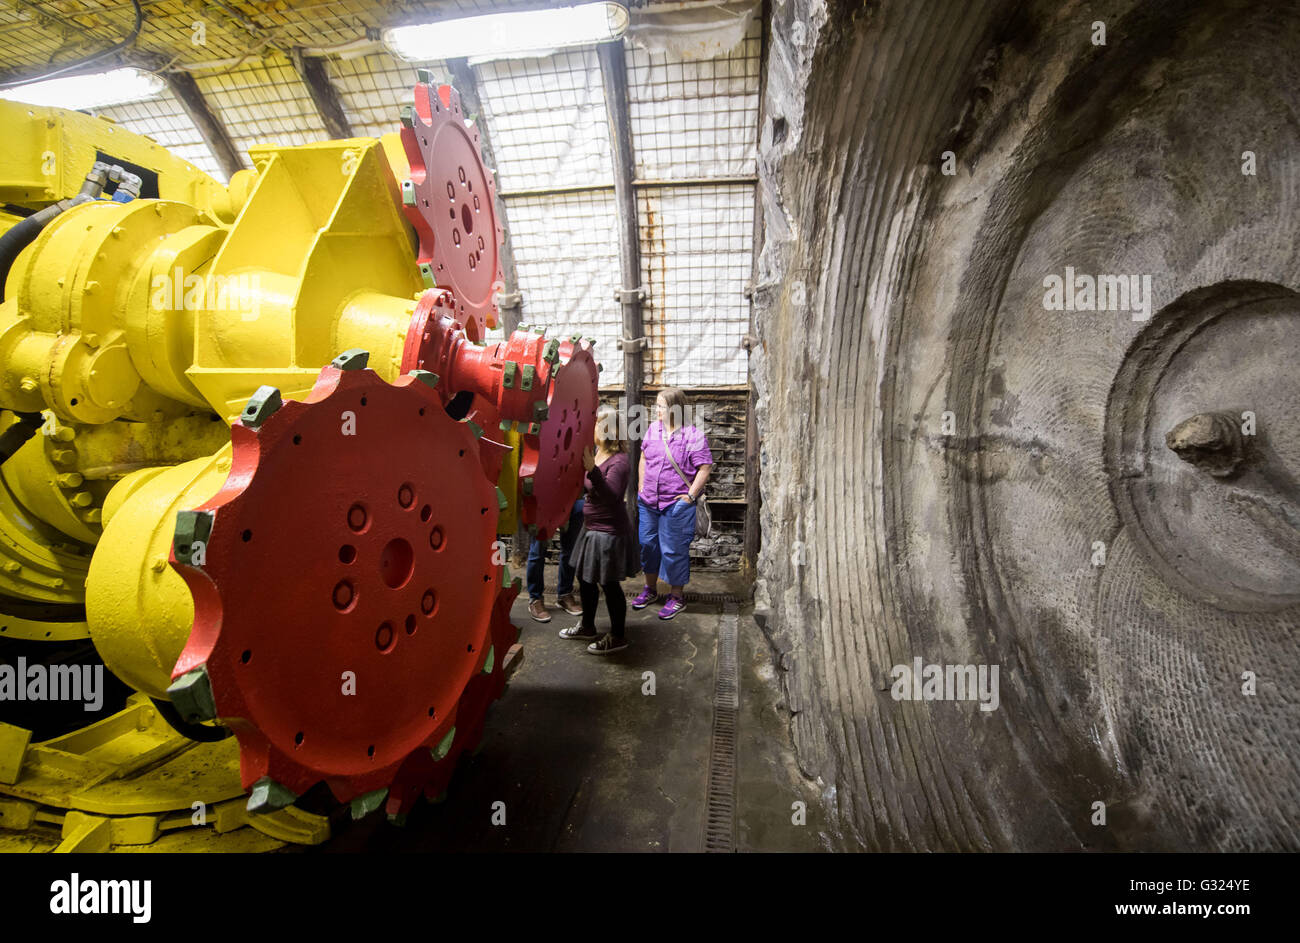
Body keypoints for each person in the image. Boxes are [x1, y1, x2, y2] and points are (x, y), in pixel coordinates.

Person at [560, 405, 640, 654]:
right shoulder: (596, 453)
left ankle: (618, 636)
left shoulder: (619, 462)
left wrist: (592, 470)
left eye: (595, 424)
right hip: (591, 527)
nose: (590, 428)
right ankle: (587, 626)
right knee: (585, 579)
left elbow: (612, 496)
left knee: (609, 584)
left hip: (608, 532)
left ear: (607, 430)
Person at [634, 387, 713, 620]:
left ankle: (676, 596)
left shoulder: (693, 436)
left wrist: (690, 496)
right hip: (648, 501)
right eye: (656, 405)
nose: (656, 410)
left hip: (675, 504)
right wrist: (641, 484)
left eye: (661, 406)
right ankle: (650, 589)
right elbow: (643, 457)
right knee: (648, 545)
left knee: (674, 550)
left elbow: (705, 467)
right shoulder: (653, 429)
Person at [526, 499, 584, 622]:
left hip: (573, 497)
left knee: (570, 549)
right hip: (545, 497)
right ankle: (535, 598)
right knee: (537, 551)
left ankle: (564, 594)